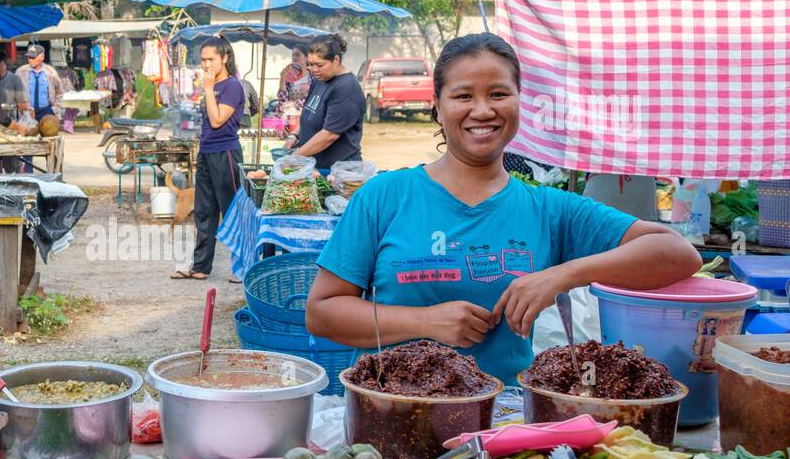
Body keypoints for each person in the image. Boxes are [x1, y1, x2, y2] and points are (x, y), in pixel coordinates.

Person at [306, 33, 700, 385]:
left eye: (498, 94)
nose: (482, 111)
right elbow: (323, 313)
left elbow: (677, 254)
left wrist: (563, 275)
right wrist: (424, 322)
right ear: (437, 106)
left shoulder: (550, 209)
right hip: (390, 410)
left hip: (503, 425)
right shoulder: (384, 196)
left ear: (518, 102)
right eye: (463, 96)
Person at [172, 36, 245, 281]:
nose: (206, 65)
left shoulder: (232, 86)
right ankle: (200, 267)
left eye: (211, 59)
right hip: (206, 151)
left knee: (233, 211)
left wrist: (206, 88)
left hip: (225, 154)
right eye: (202, 60)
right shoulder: (212, 86)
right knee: (204, 211)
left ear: (225, 58)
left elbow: (216, 120)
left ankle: (243, 268)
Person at [285, 34, 364, 172]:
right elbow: (310, 114)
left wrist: (294, 158)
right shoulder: (319, 79)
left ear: (336, 60)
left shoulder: (346, 88)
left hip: (338, 172)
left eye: (319, 65)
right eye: (310, 64)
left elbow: (329, 135)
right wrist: (295, 135)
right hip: (315, 167)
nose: (314, 70)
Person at [16, 44, 64, 124]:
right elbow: (15, 92)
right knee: (27, 135)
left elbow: (59, 92)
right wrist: (22, 105)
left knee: (47, 134)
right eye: (29, 57)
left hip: (46, 111)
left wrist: (54, 109)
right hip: (27, 112)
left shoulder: (51, 72)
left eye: (33, 57)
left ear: (42, 57)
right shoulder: (21, 72)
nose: (30, 60)